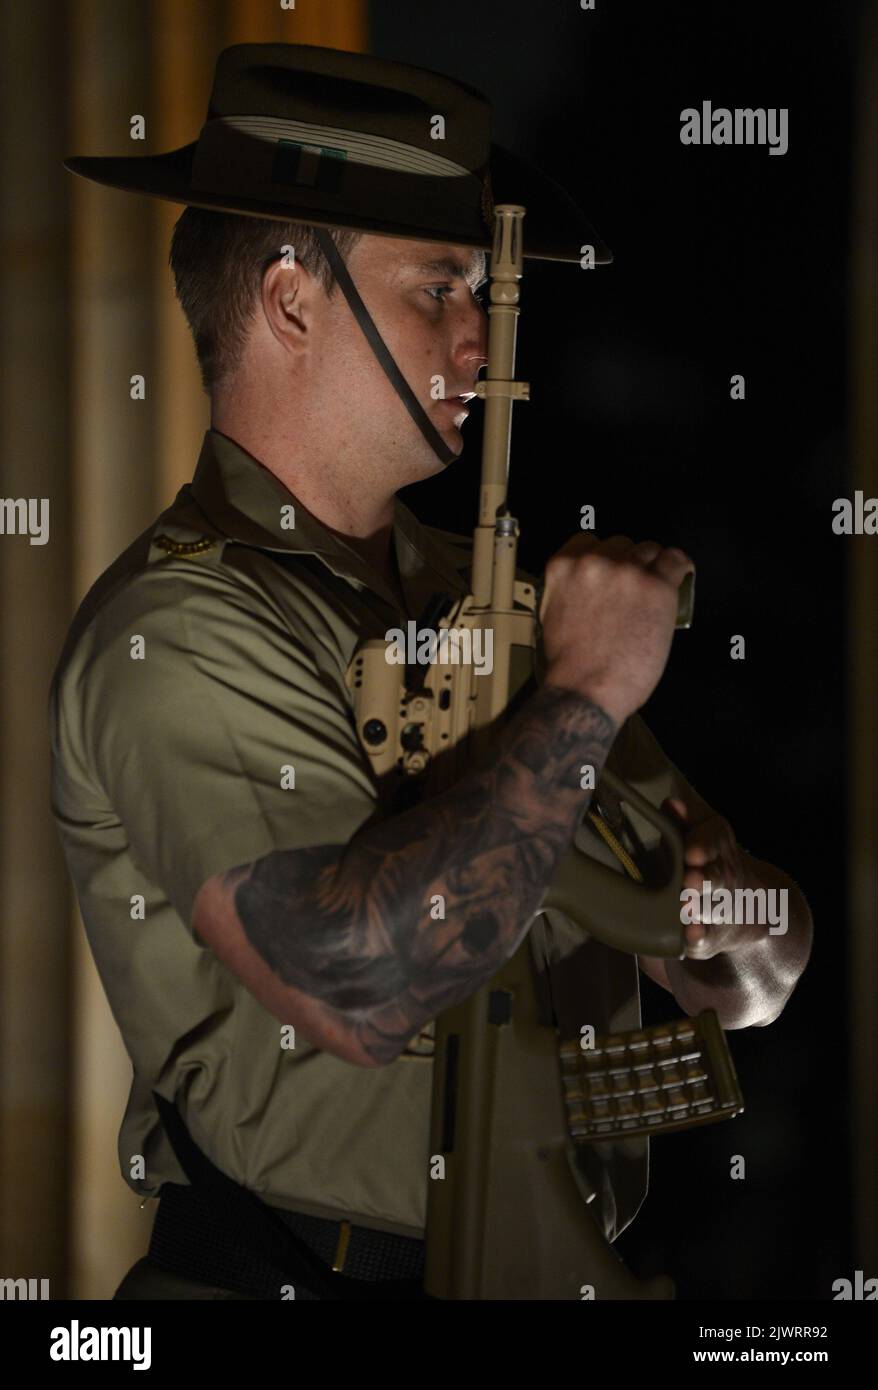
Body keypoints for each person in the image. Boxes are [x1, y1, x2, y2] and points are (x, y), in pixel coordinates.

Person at [50, 43, 813, 1301]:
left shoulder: (500, 595)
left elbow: (755, 969)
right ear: (291, 301)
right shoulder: (181, 627)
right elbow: (360, 983)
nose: (480, 341)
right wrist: (577, 697)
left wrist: (718, 915)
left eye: (486, 295)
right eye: (440, 290)